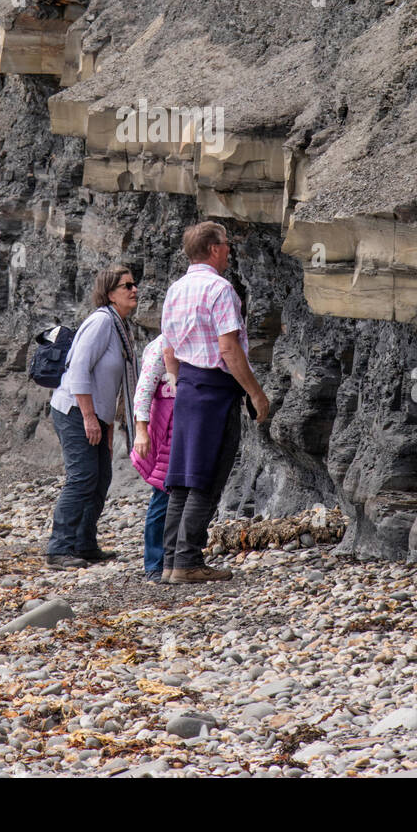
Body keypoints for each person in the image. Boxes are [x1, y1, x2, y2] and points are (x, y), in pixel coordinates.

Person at [160, 221, 269, 584]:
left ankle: (170, 562)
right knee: (205, 478)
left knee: (182, 479)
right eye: (225, 244)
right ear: (212, 249)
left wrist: (180, 382)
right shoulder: (220, 289)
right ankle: (188, 562)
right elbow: (228, 348)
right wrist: (255, 392)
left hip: (188, 386)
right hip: (215, 389)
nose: (229, 250)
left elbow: (169, 350)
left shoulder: (176, 289)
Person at [46, 265, 139, 570]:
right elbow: (78, 372)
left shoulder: (120, 327)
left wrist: (108, 426)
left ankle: (84, 545)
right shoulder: (101, 322)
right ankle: (59, 549)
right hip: (74, 410)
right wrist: (89, 417)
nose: (134, 290)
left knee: (101, 478)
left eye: (133, 284)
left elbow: (110, 385)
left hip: (95, 414)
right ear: (111, 294)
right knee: (83, 477)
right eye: (127, 286)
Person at [130, 333, 176, 581]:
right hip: (164, 429)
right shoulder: (162, 344)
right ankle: (155, 565)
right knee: (163, 494)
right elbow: (144, 389)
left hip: (178, 427)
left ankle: (172, 560)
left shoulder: (191, 340)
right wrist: (141, 432)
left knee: (174, 495)